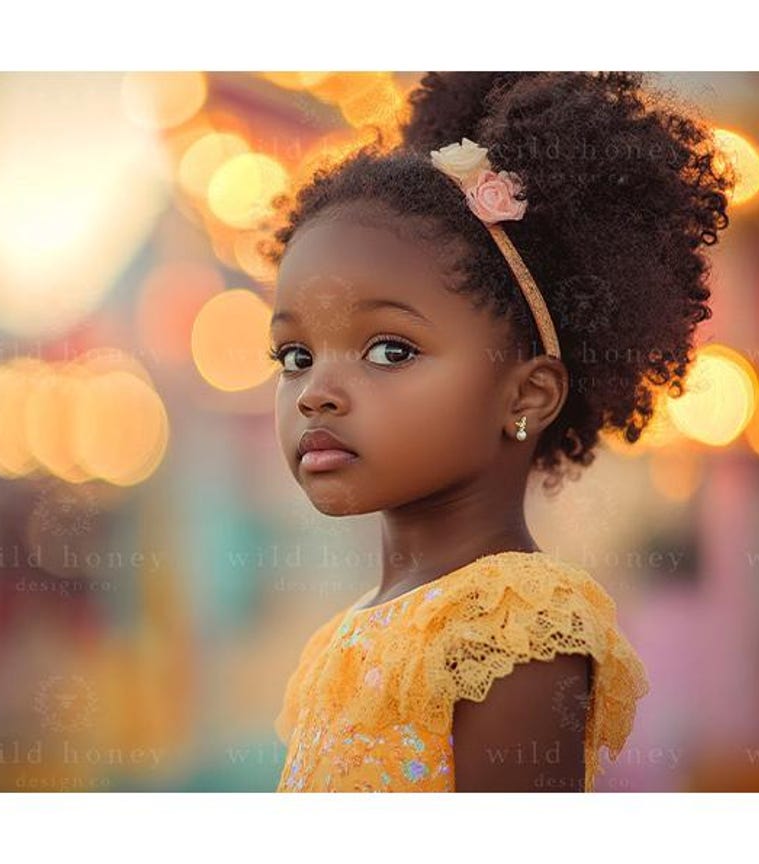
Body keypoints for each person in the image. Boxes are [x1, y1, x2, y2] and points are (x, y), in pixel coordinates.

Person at [261, 71, 734, 792]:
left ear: (528, 393)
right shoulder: (349, 628)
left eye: (390, 350)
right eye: (295, 357)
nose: (315, 395)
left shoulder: (514, 628)